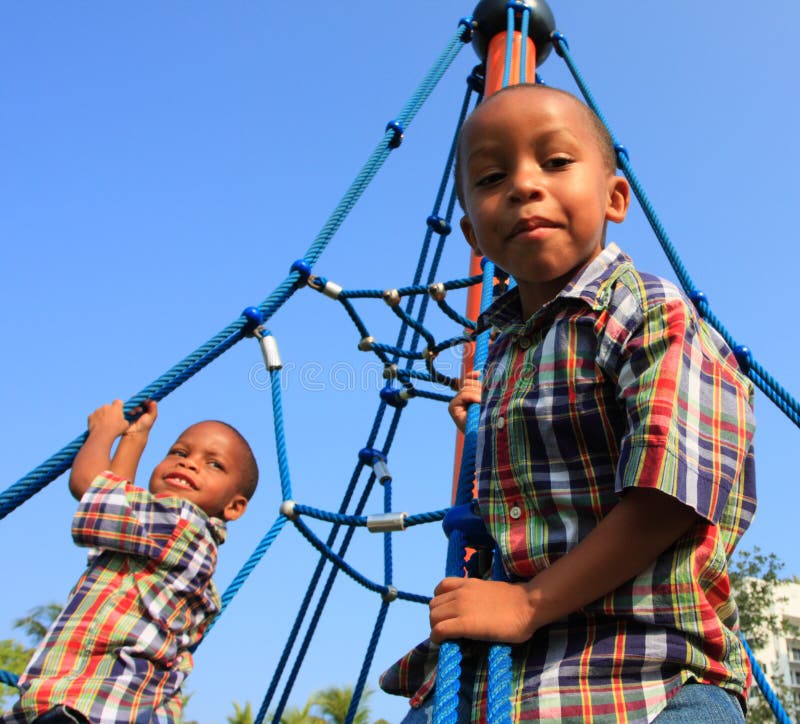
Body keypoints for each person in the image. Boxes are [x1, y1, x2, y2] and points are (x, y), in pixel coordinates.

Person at [380, 84, 756, 722]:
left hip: (651, 663)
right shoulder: (504, 351)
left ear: (614, 197)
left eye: (555, 162)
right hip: (500, 670)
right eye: (492, 177)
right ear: (473, 233)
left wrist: (527, 605)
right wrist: (485, 421)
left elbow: (672, 493)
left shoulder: (649, 312)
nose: (524, 185)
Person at [2, 399, 258, 724]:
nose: (189, 463)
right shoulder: (152, 539)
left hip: (99, 704)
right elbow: (113, 492)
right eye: (179, 452)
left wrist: (104, 432)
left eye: (214, 464)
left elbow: (90, 485)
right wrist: (135, 438)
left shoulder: (181, 525)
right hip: (71, 702)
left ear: (234, 507)